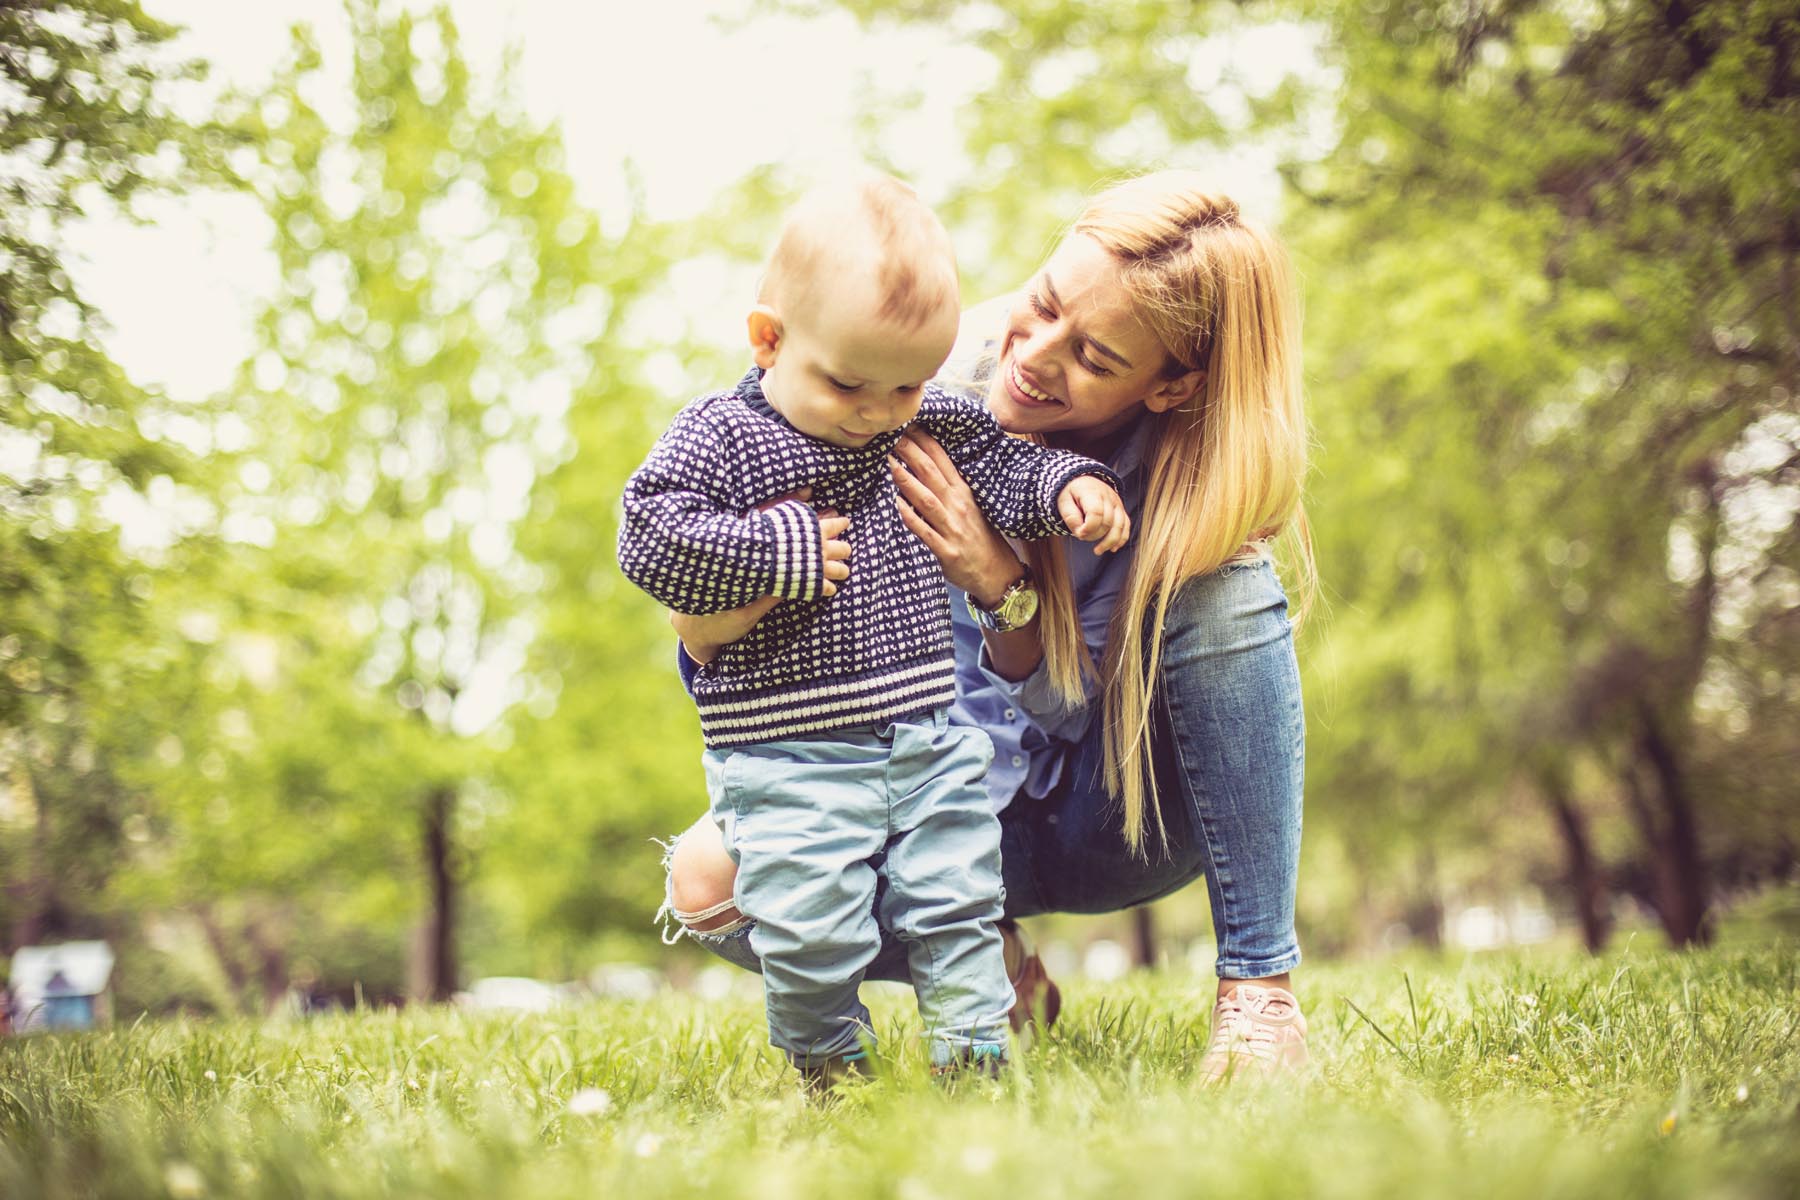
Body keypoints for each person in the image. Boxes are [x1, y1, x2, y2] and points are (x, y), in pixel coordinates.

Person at [664, 169, 1313, 1082]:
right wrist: (718, 615)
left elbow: (1072, 715)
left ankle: (1259, 997)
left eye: (1095, 359)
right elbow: (725, 578)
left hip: (1113, 816)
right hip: (926, 806)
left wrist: (1002, 587)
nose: (1036, 356)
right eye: (1043, 303)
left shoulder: (1189, 481)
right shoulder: (901, 383)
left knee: (1229, 579)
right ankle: (993, 970)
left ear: (1173, 388)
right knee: (708, 882)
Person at [618, 171, 1130, 1088]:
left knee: (958, 902)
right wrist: (778, 549)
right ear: (768, 340)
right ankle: (829, 1062)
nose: (880, 411)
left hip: (928, 737)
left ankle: (973, 1059)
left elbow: (998, 466)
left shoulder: (912, 418)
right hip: (789, 754)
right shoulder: (724, 436)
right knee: (810, 920)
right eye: (851, 382)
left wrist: (1062, 490)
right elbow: (649, 538)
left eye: (907, 385)